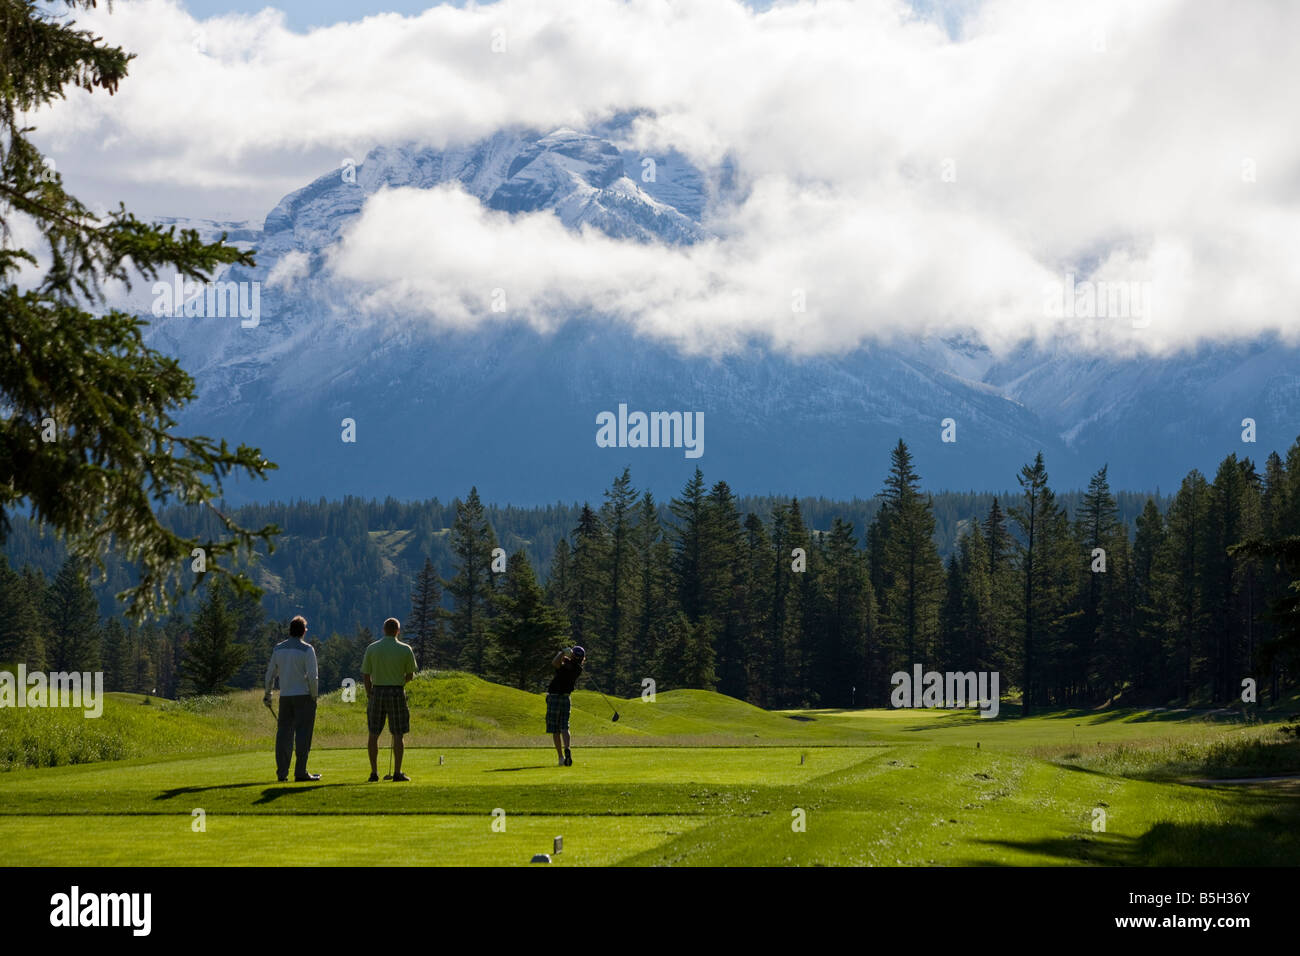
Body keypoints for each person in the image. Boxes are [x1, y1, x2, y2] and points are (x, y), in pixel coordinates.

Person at [264, 615, 320, 782]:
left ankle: (282, 773)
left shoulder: (278, 649)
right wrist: (314, 696)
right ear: (303, 631)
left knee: (283, 736)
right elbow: (312, 677)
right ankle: (300, 772)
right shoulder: (308, 649)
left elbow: (270, 674)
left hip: (285, 697)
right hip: (304, 696)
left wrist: (268, 694)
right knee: (303, 735)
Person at [362, 617, 418, 782]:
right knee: (398, 733)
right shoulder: (405, 649)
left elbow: (366, 675)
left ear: (383, 630)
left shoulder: (372, 648)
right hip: (396, 691)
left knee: (373, 733)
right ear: (398, 631)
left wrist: (369, 692)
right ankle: (397, 772)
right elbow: (410, 675)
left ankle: (374, 773)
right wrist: (400, 682)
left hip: (377, 691)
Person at [547, 645, 584, 766]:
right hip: (566, 698)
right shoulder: (578, 668)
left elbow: (555, 663)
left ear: (573, 655)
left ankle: (560, 757)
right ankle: (567, 747)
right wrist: (566, 655)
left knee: (555, 729)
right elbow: (563, 663)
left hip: (554, 697)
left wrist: (562, 652)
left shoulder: (567, 664)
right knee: (565, 727)